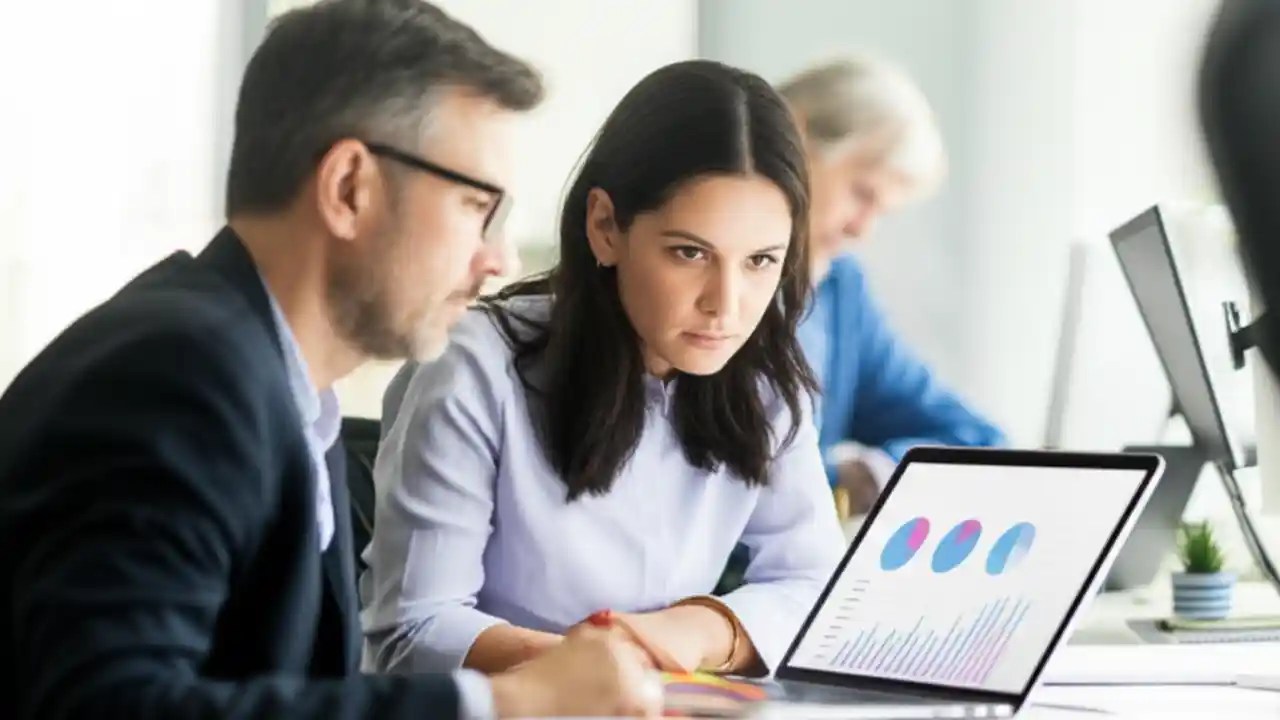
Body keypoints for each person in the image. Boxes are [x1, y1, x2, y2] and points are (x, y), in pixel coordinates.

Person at [0, 1, 661, 718]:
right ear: (349, 187)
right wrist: (502, 705)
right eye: (477, 207)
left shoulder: (275, 387)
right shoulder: (182, 376)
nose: (497, 260)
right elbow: (111, 707)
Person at [361, 59, 844, 679]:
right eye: (690, 253)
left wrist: (692, 633)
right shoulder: (475, 366)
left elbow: (814, 583)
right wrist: (602, 665)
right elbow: (415, 628)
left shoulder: (763, 379)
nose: (726, 305)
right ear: (605, 227)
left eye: (760, 261)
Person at [777, 56, 1005, 518]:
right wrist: (837, 474)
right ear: (795, 137)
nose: (862, 230)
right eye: (861, 193)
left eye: (881, 210)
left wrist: (878, 469)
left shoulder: (839, 288)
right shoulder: (711, 286)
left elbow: (980, 441)